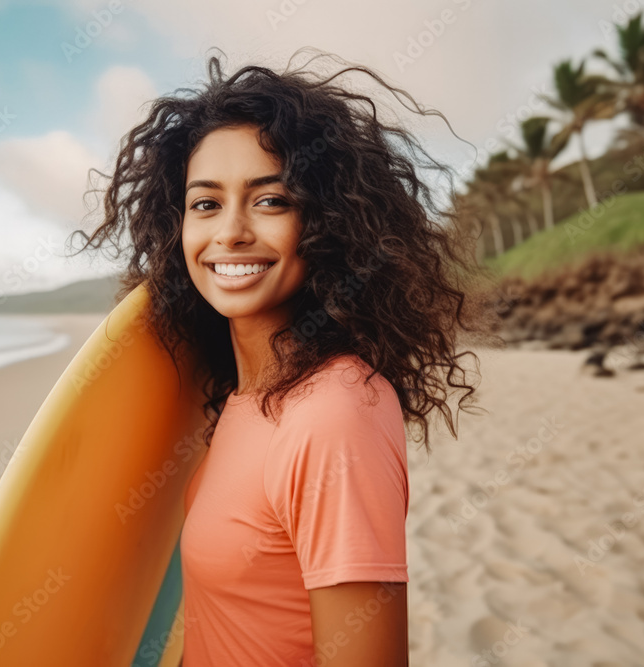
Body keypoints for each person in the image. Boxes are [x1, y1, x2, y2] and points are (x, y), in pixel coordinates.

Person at [72, 46, 491, 667]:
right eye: (205, 203)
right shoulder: (243, 393)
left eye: (270, 200)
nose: (231, 232)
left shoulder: (335, 413)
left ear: (327, 222)